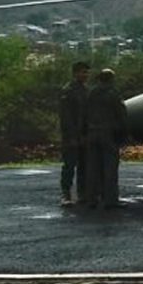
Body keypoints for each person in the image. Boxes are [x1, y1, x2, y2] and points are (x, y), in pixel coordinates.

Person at [85, 68, 128, 210]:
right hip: (109, 134)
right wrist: (124, 134)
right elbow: (121, 115)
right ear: (111, 79)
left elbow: (84, 113)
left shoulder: (91, 93)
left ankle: (91, 198)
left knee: (92, 168)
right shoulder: (113, 94)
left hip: (92, 133)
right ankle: (110, 200)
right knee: (110, 168)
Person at [59, 61, 89, 207]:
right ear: (75, 73)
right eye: (82, 72)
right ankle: (66, 194)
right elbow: (66, 116)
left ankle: (82, 193)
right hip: (71, 135)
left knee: (84, 166)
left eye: (86, 72)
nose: (85, 75)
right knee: (69, 166)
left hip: (84, 134)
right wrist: (71, 136)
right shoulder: (68, 90)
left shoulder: (85, 90)